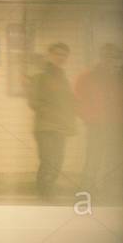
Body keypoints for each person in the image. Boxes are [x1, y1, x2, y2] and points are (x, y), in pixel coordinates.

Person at [29, 42, 77, 201]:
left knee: (58, 161)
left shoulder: (64, 78)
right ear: (50, 55)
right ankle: (44, 192)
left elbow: (69, 103)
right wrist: (52, 111)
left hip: (60, 127)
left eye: (64, 55)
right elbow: (33, 101)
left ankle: (47, 189)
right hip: (45, 127)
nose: (60, 58)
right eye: (57, 54)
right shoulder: (40, 76)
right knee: (48, 159)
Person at [74, 43, 123, 196]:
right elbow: (77, 100)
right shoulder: (88, 76)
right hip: (96, 125)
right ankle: (86, 190)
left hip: (118, 126)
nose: (110, 61)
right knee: (93, 158)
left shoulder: (120, 78)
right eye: (107, 56)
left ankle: (109, 190)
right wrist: (89, 118)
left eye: (114, 57)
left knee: (113, 158)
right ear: (101, 57)